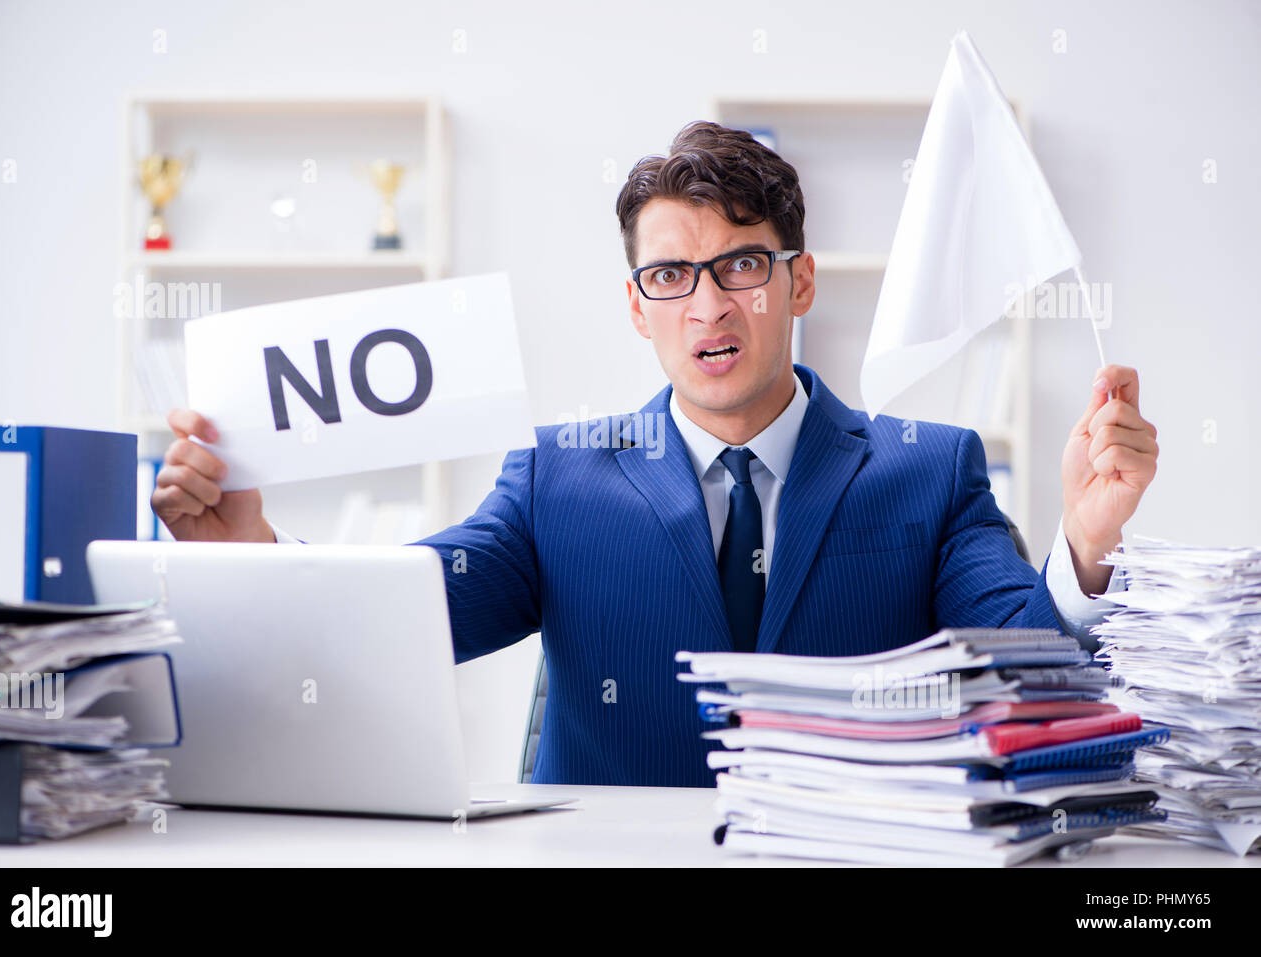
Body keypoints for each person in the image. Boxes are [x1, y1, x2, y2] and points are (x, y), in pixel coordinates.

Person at [152, 121, 1159, 786]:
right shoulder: (554, 477)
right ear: (637, 307)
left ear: (799, 281)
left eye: (741, 266)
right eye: (672, 275)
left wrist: (1082, 540)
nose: (710, 305)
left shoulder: (928, 469)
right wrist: (251, 550)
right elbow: (403, 622)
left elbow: (1037, 681)